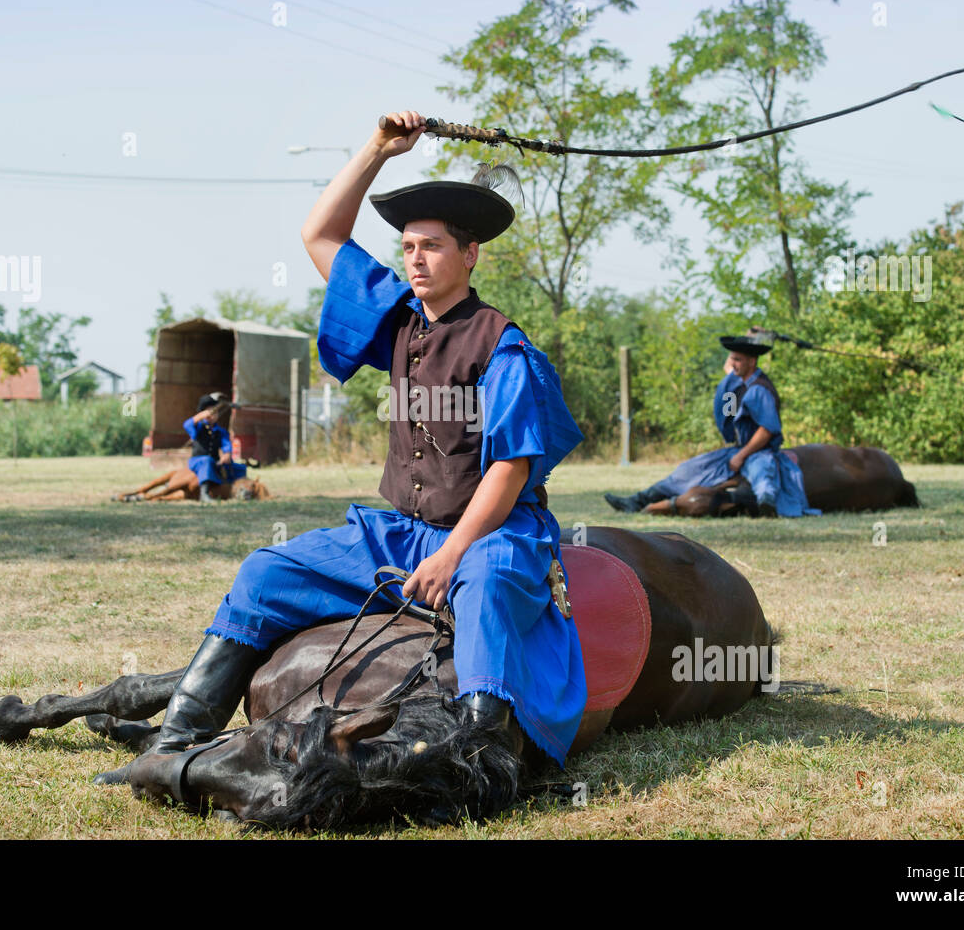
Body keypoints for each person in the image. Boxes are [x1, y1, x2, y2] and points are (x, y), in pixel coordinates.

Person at [97, 109, 586, 788]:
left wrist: (452, 553)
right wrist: (380, 148)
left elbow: (511, 469)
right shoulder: (394, 321)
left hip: (490, 532)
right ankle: (175, 742)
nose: (416, 257)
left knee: (494, 584)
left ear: (470, 254)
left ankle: (483, 744)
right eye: (409, 246)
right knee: (266, 572)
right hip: (399, 531)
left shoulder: (500, 344)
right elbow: (319, 233)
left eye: (433, 246)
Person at [604, 333, 820, 517]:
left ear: (752, 362)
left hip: (758, 452)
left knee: (764, 482)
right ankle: (637, 501)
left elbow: (767, 430)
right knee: (689, 470)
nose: (731, 364)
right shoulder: (740, 383)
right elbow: (728, 399)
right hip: (738, 450)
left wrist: (741, 456)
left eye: (737, 359)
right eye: (732, 358)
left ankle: (768, 507)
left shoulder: (759, 390)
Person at [182, 392, 246, 501]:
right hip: (198, 461)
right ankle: (204, 493)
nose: (212, 415)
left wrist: (227, 454)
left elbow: (226, 444)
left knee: (240, 468)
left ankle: (239, 490)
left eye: (214, 412)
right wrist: (199, 417)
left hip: (215, 461)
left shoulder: (220, 431)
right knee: (207, 461)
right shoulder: (198, 428)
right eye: (209, 413)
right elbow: (187, 425)